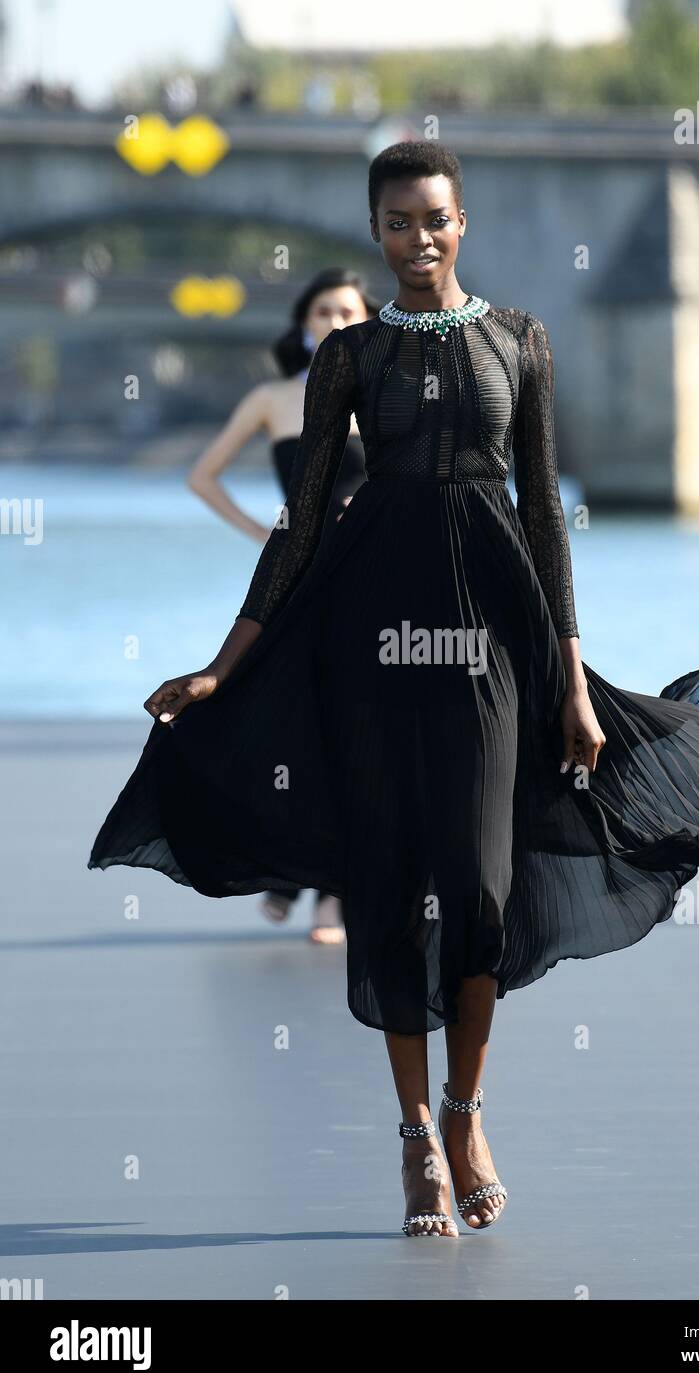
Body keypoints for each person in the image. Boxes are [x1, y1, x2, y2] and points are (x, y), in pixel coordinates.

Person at [89, 141, 699, 1238]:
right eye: (395, 222)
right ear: (376, 232)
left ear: (461, 223)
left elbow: (541, 520)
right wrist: (221, 664)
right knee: (389, 883)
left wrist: (569, 681)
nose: (416, 238)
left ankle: (465, 1107)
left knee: (478, 889)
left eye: (433, 218)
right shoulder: (350, 357)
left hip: (492, 644)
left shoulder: (518, 341)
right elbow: (295, 534)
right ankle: (413, 1141)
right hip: (369, 641)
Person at [185, 268, 376, 942]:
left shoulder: (388, 395)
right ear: (304, 324)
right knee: (291, 725)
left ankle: (330, 894)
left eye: (347, 310)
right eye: (322, 310)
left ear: (366, 320)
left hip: (369, 578)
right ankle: (287, 866)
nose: (333, 319)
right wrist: (261, 532)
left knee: (359, 733)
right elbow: (201, 476)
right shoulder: (271, 398)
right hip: (295, 580)